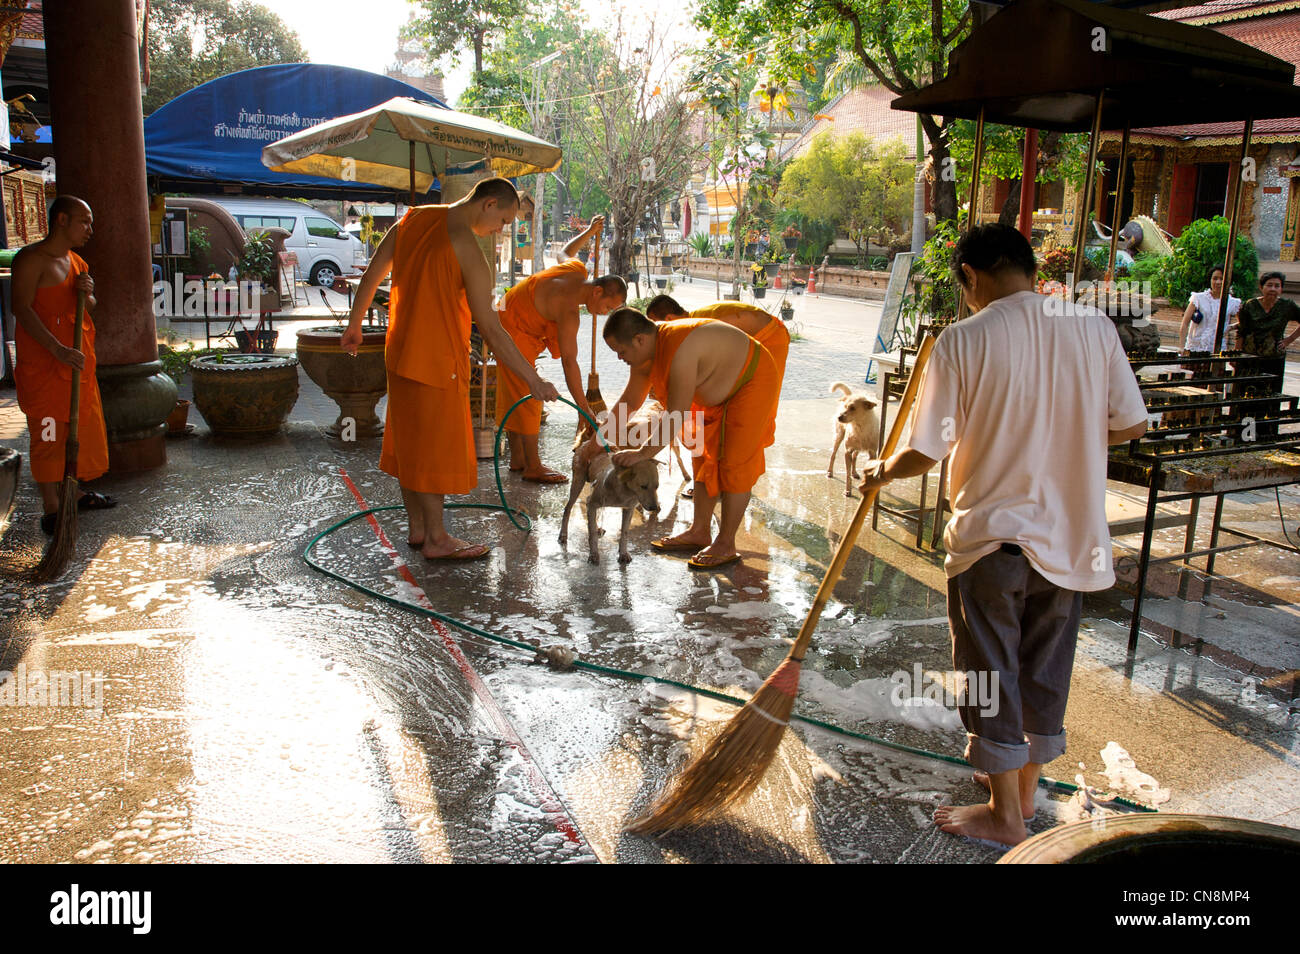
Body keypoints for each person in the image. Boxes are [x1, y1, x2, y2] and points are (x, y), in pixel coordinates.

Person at [859, 224, 1148, 846]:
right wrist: (1065, 439)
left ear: (970, 276)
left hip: (993, 540)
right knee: (1044, 667)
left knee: (988, 672)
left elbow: (924, 451)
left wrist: (878, 471)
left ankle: (1005, 818)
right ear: (1027, 264)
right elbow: (1129, 425)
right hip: (1071, 539)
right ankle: (1022, 792)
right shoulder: (1093, 326)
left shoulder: (963, 340)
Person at [342, 177, 559, 561]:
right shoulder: (467, 248)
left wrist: (355, 326)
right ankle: (438, 539)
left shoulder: (412, 219)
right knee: (432, 452)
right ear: (489, 204)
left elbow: (371, 275)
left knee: (411, 443)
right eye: (505, 220)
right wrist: (533, 378)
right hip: (439, 362)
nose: (502, 230)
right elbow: (491, 329)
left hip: (401, 353)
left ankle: (419, 528)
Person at [596, 308, 779, 569]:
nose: (619, 358)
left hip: (752, 381)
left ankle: (726, 543)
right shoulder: (646, 355)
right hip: (715, 393)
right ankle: (699, 532)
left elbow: (675, 415)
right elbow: (630, 400)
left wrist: (643, 453)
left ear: (640, 340)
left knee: (735, 464)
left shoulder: (680, 351)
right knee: (701, 455)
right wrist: (599, 438)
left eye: (621, 352)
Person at [495, 214, 626, 483]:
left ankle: (518, 458)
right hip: (512, 328)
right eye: (608, 307)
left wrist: (589, 232)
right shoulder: (568, 313)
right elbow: (569, 362)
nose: (604, 313)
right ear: (597, 292)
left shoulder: (577, 270)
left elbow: (565, 251)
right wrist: (584, 409)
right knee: (530, 394)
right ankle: (533, 466)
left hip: (509, 312)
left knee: (513, 389)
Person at [12, 195, 115, 535]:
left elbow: (88, 307)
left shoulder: (77, 263)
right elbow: (22, 309)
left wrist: (89, 290)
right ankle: (52, 506)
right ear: (61, 221)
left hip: (76, 363)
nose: (90, 229)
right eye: (84, 221)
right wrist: (56, 349)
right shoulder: (31, 260)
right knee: (49, 432)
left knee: (78, 428)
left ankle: (76, 490)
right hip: (45, 363)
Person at [645, 295, 791, 497]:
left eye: (656, 327)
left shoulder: (701, 326)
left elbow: (727, 354)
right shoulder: (688, 330)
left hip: (769, 343)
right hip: (745, 352)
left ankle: (735, 480)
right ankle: (715, 477)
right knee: (710, 415)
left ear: (668, 320)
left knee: (747, 419)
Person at [1233, 271, 1299, 440]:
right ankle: (1246, 436)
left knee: (1270, 398)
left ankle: (1266, 436)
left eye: (1277, 286)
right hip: (1250, 359)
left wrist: (1288, 340)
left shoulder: (1287, 306)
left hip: (1274, 359)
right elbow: (1242, 330)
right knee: (1247, 398)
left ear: (1282, 289)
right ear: (1261, 287)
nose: (1273, 289)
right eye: (1269, 285)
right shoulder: (1249, 306)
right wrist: (1236, 354)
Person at [1179, 265, 1241, 355]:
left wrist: (1230, 327)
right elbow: (1185, 323)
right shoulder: (1198, 298)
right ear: (1210, 280)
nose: (1218, 282)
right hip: (1195, 348)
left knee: (1215, 369)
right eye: (1215, 278)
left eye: (1222, 279)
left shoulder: (1233, 303)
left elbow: (1243, 323)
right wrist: (1181, 347)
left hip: (1217, 349)